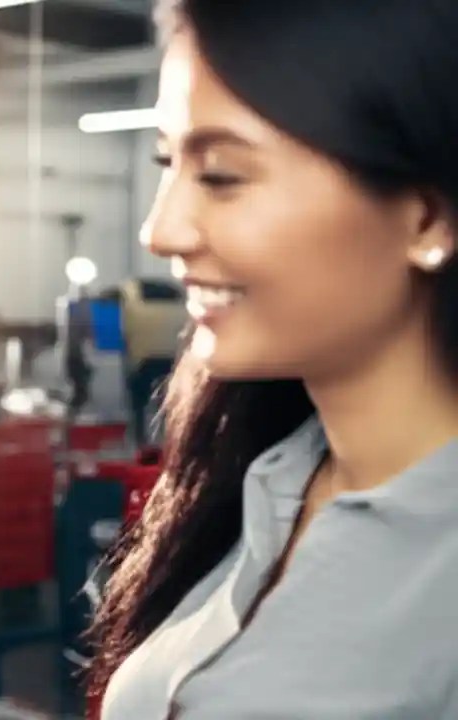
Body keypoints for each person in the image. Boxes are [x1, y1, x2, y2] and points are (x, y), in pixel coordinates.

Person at [85, 2, 458, 718]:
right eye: (168, 162)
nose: (158, 232)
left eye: (221, 175)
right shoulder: (269, 477)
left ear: (427, 216)